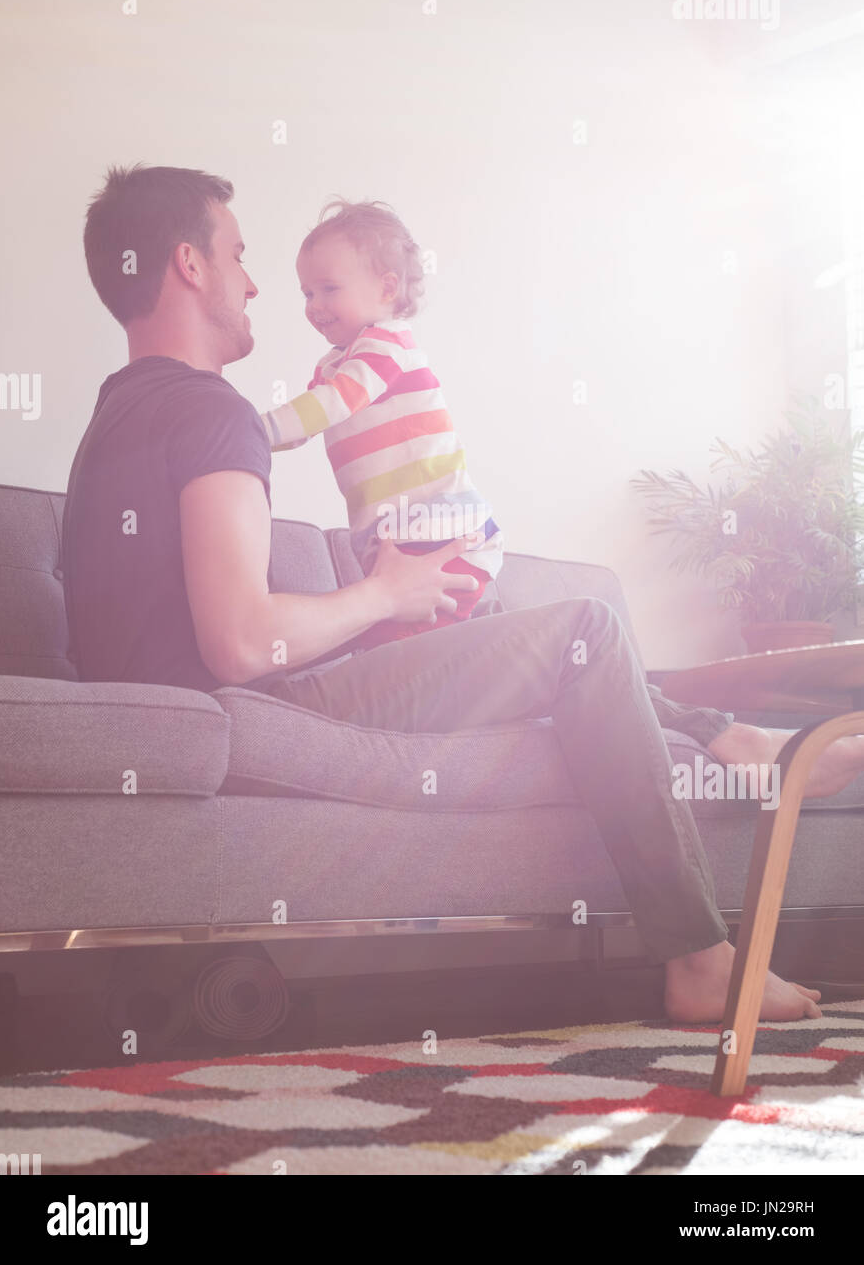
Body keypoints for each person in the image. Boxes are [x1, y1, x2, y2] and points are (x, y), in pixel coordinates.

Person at [65, 164, 863, 1024]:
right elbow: (243, 644)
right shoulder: (212, 413)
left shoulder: (109, 423)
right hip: (254, 704)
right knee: (583, 631)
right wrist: (383, 592)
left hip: (212, 702)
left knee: (550, 653)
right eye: (239, 255)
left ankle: (732, 737)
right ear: (189, 265)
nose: (255, 283)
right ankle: (703, 955)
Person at [260, 198, 502, 649]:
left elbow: (334, 404)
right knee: (392, 648)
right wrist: (246, 441)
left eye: (329, 289)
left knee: (402, 655)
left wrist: (252, 429)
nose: (314, 306)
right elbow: (307, 423)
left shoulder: (386, 344)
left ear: (387, 289)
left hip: (442, 537)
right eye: (307, 293)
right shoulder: (335, 365)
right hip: (401, 544)